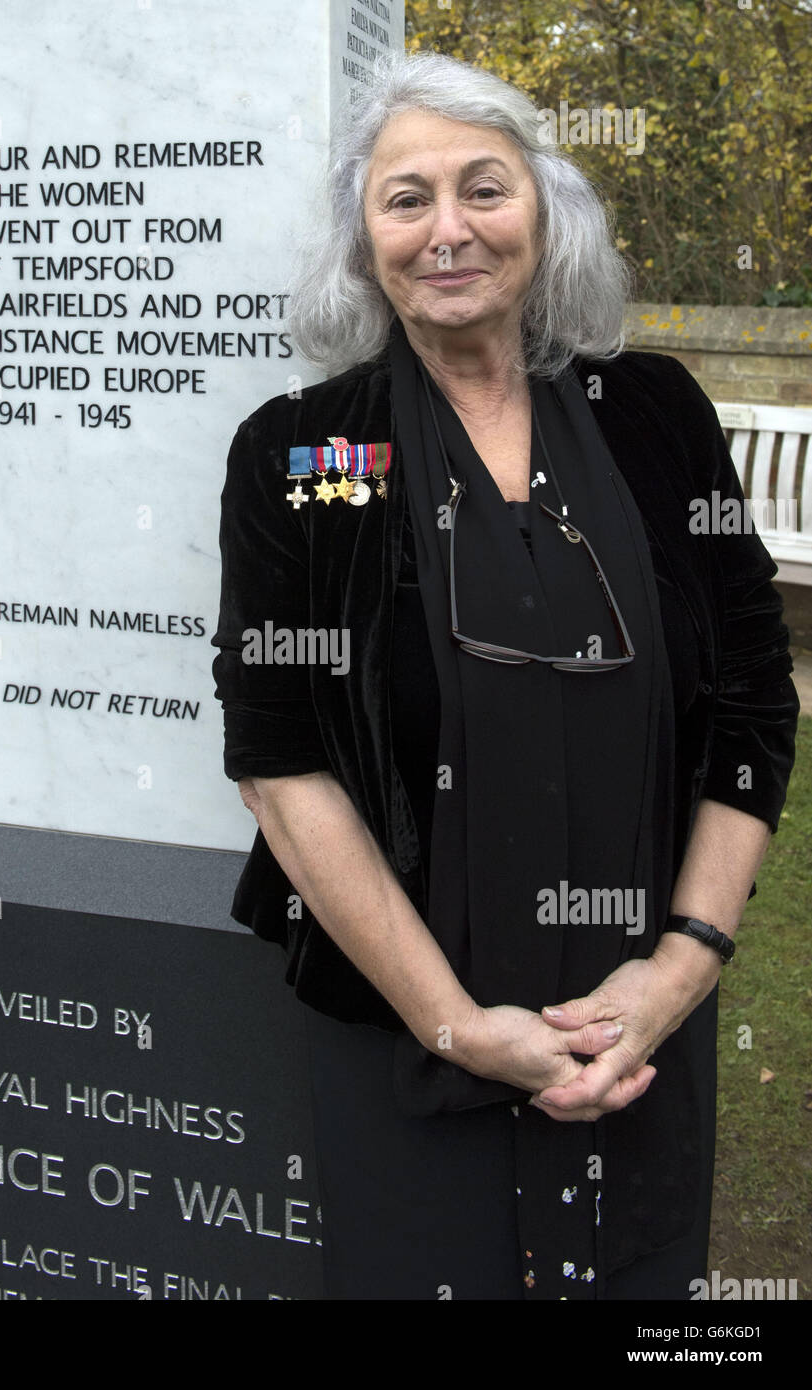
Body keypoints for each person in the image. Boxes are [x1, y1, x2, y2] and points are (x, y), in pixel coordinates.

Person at [210, 51, 799, 1300]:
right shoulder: (309, 452)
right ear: (363, 242)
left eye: (484, 188)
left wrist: (683, 966)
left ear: (545, 211)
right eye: (404, 198)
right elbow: (278, 759)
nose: (448, 230)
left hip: (631, 1021)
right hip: (401, 1028)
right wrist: (458, 1026)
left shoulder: (652, 413)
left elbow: (753, 690)